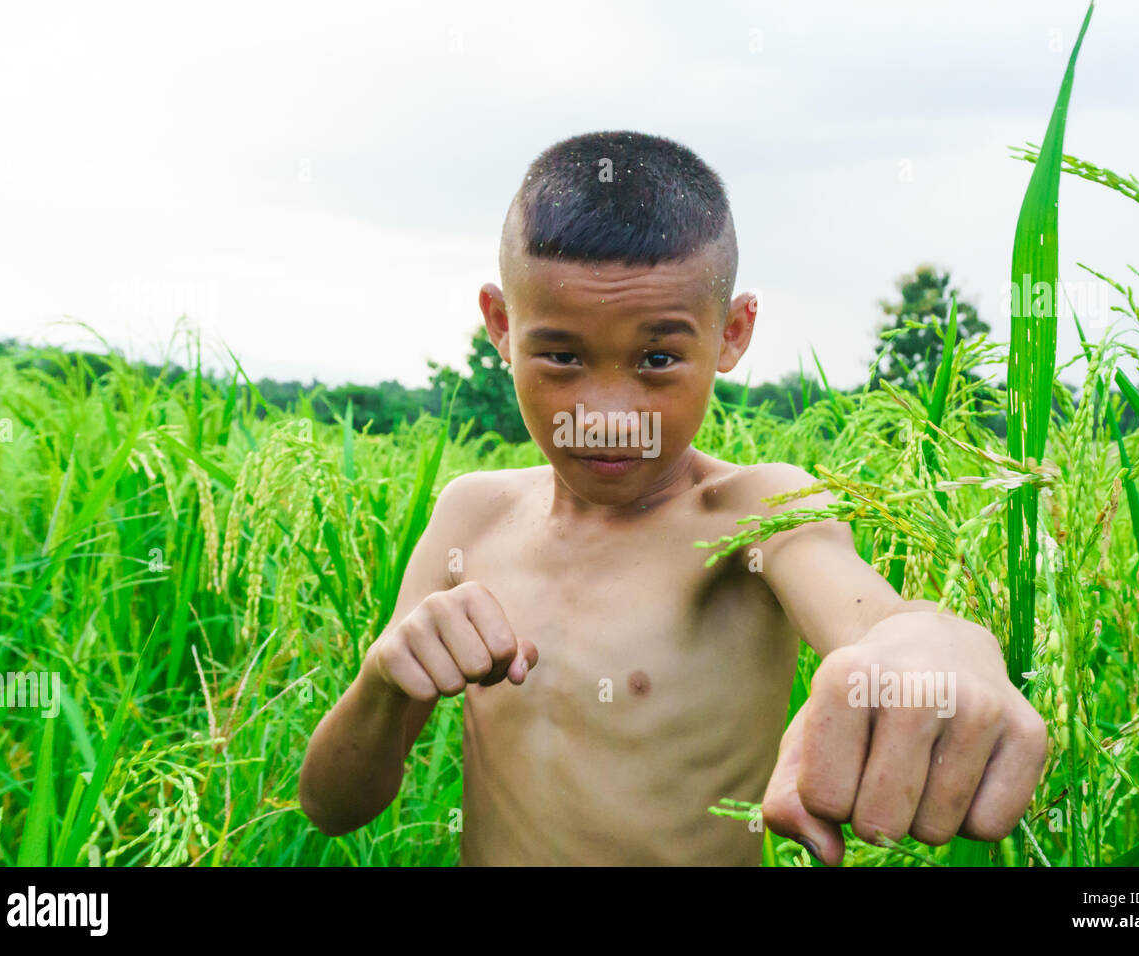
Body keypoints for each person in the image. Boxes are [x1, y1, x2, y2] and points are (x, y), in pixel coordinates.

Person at [298, 130, 1047, 865]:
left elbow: (879, 621)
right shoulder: (473, 516)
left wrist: (939, 644)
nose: (606, 413)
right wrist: (383, 682)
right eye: (561, 355)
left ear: (732, 332)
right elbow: (334, 808)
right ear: (501, 324)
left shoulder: (757, 513)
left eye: (658, 358)